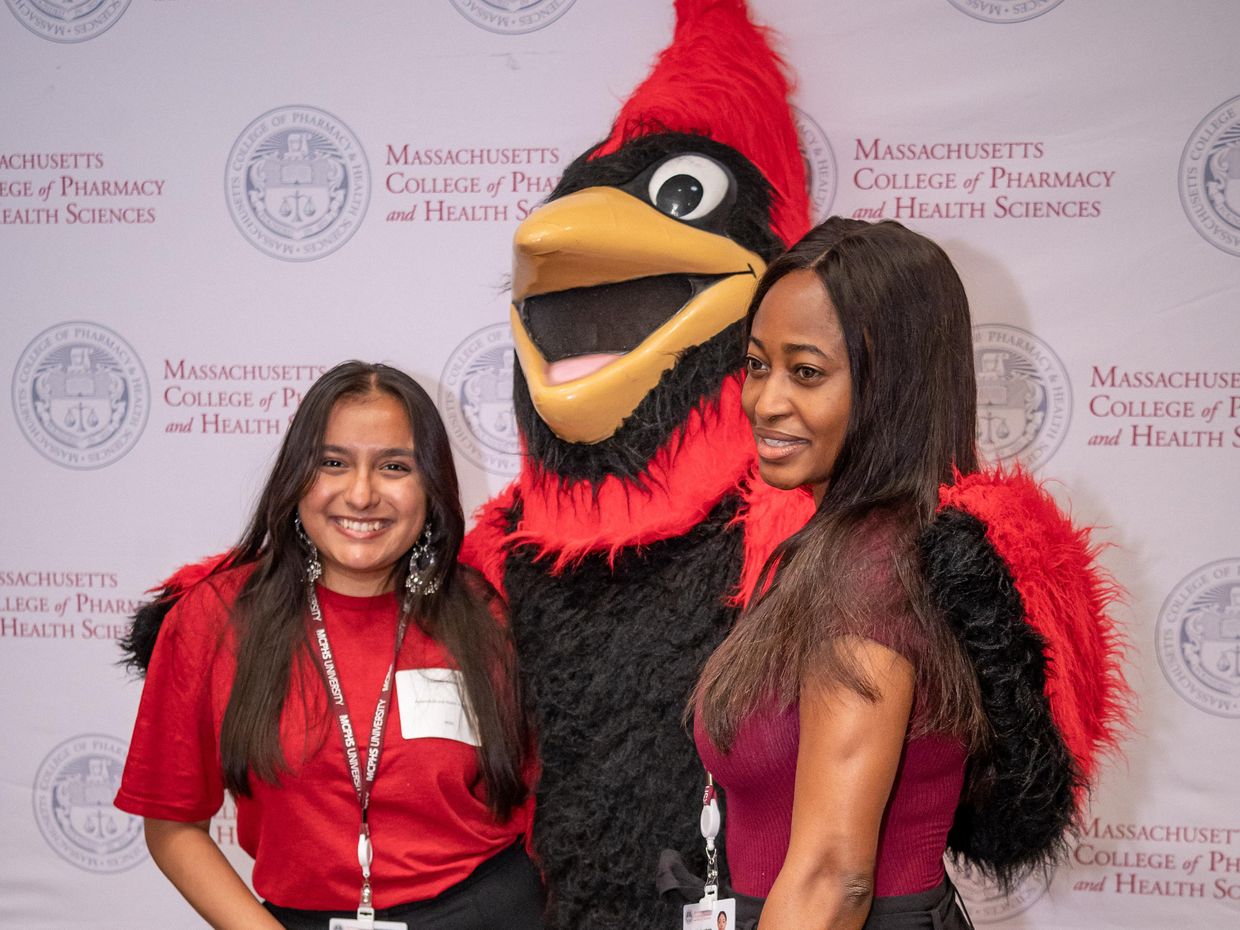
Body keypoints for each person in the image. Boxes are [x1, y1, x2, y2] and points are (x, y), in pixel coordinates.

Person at [690, 218, 1124, 929]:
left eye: (806, 372)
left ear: (893, 385)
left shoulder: (871, 570)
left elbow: (834, 879)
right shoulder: (832, 548)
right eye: (757, 364)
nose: (763, 401)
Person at [115, 361, 544, 930]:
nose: (361, 494)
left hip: (492, 911)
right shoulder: (212, 621)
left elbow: (553, 803)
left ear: (432, 486)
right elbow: (171, 823)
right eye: (333, 463)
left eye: (394, 466)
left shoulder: (489, 613)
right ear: (297, 477)